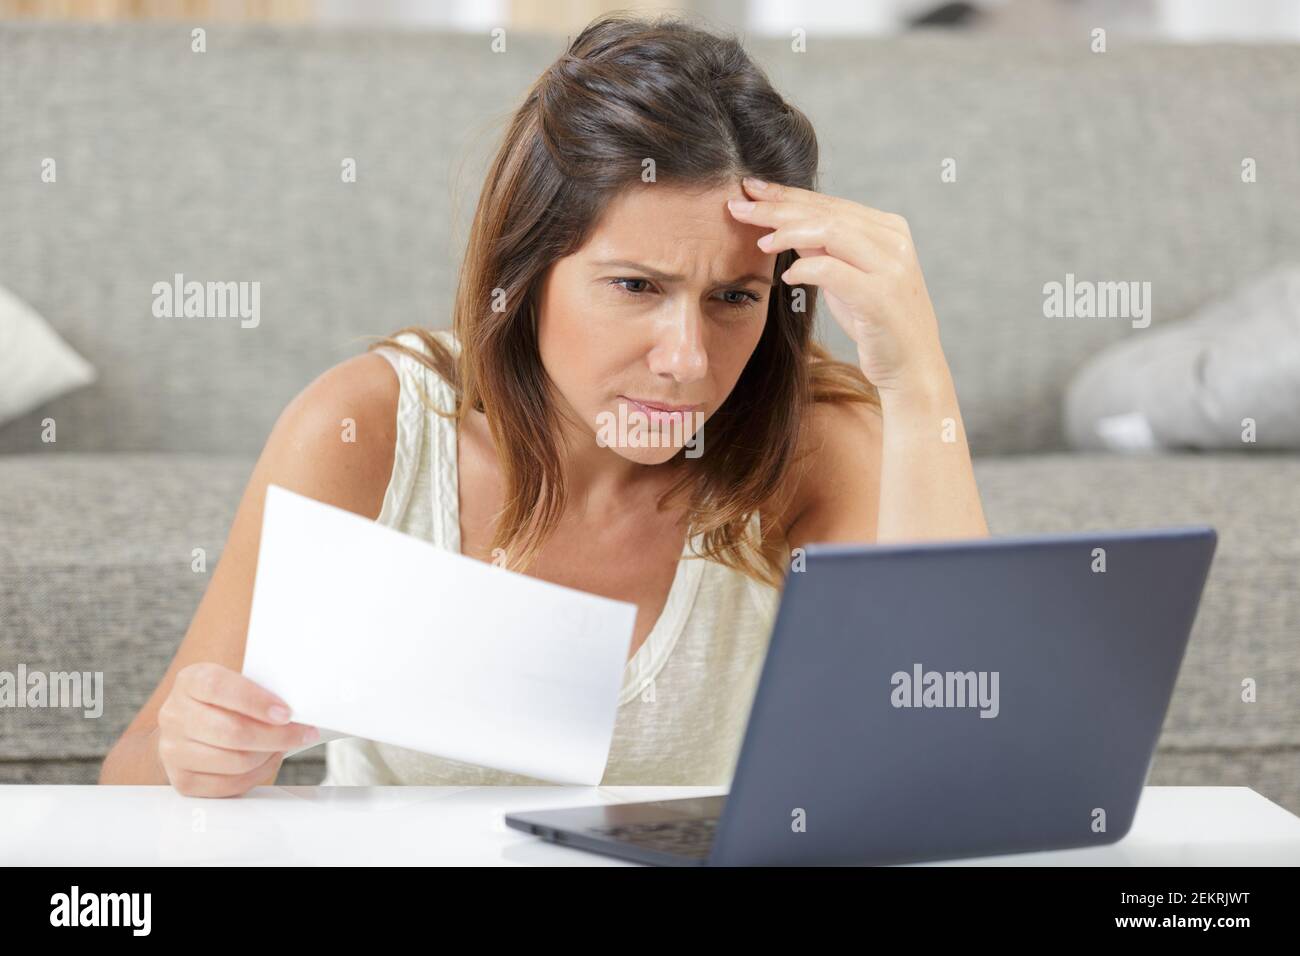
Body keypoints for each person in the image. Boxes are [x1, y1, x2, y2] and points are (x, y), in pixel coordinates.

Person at [100, 13, 987, 796]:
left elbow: (953, 755)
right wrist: (196, 754)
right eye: (637, 285)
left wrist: (918, 381)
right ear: (525, 279)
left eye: (734, 298)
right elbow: (133, 771)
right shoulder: (366, 430)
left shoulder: (811, 450)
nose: (685, 362)